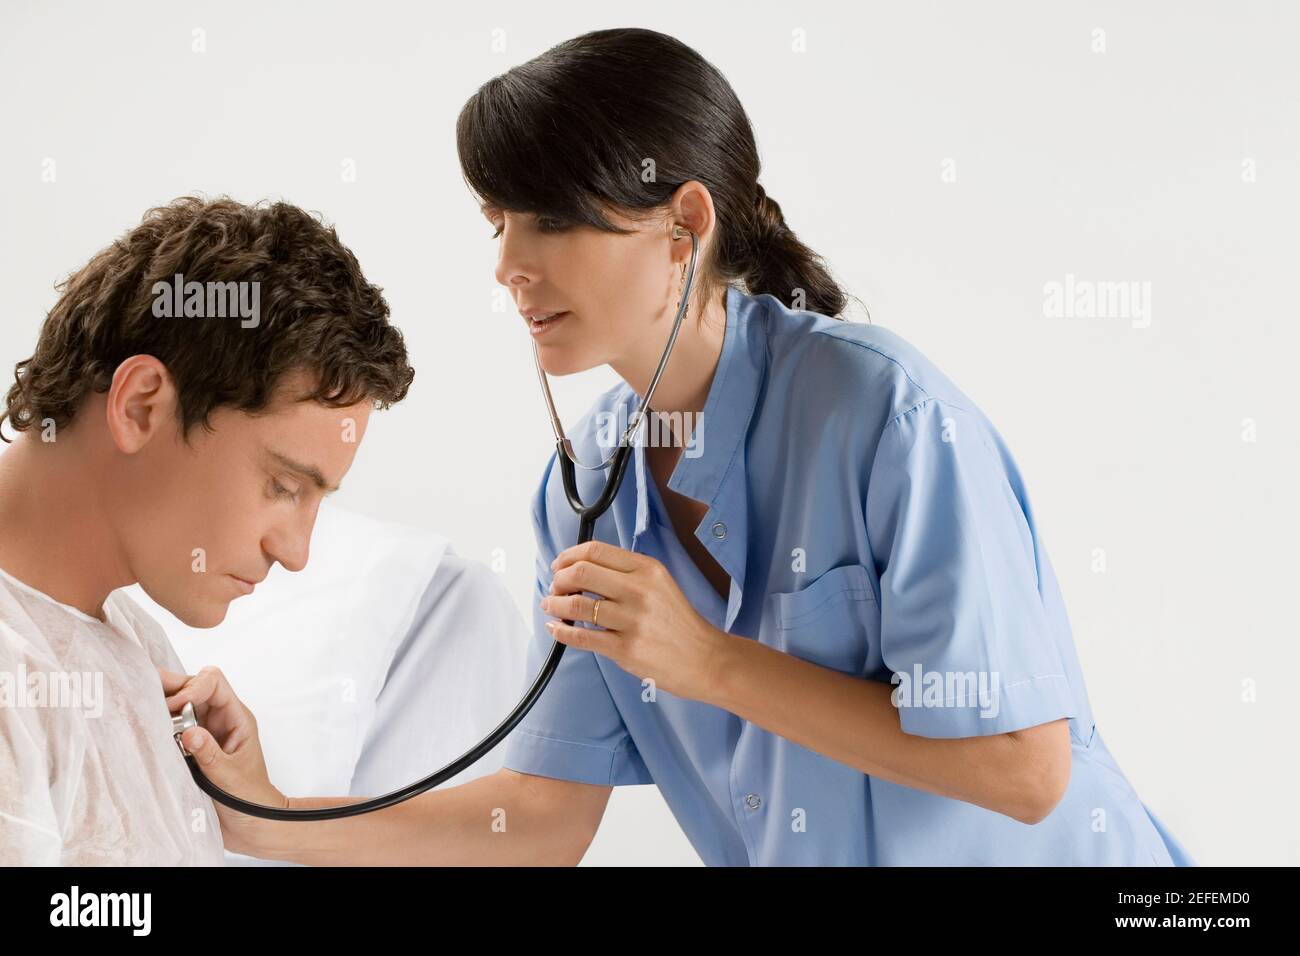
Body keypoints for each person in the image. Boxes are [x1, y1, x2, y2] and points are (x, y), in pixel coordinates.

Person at [173, 28, 1194, 866]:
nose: (509, 266)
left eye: (549, 221)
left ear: (683, 226)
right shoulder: (583, 494)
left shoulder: (883, 413)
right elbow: (539, 818)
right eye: (497, 221)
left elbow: (1023, 766)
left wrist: (707, 660)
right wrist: (272, 814)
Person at [0, 196, 414, 865]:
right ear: (140, 407)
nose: (296, 552)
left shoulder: (133, 645)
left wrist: (259, 812)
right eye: (283, 486)